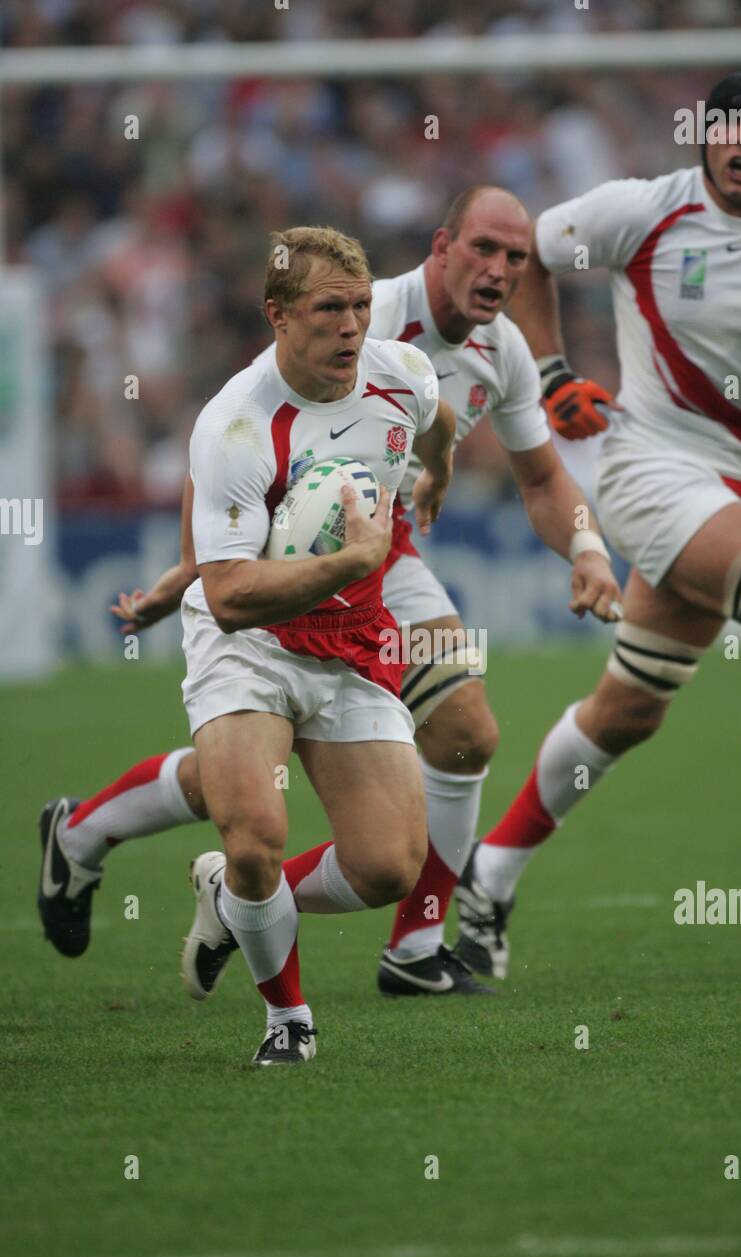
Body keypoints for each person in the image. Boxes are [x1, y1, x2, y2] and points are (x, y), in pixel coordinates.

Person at [38, 188, 622, 1002]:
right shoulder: (363, 313)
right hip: (287, 561)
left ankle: (408, 943)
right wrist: (190, 572)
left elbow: (538, 474)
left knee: (462, 732)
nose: (498, 270)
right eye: (484, 249)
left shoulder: (504, 350)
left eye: (516, 258)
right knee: (244, 785)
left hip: (382, 560)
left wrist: (587, 547)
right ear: (442, 245)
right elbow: (238, 430)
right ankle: (91, 832)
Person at [455, 70, 741, 982]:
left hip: (738, 487)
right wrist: (554, 372)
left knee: (629, 709)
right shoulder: (644, 211)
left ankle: (489, 872)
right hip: (648, 469)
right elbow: (527, 251)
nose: (739, 146)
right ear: (703, 136)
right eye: (725, 130)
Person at [40, 224, 456, 1065]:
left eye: (362, 307)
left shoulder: (401, 374)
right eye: (328, 309)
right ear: (277, 315)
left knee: (387, 868)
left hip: (352, 634)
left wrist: (437, 472)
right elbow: (227, 598)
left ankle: (98, 839)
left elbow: (435, 423)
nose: (350, 326)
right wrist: (351, 556)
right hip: (251, 640)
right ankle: (288, 1022)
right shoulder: (234, 422)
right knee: (256, 833)